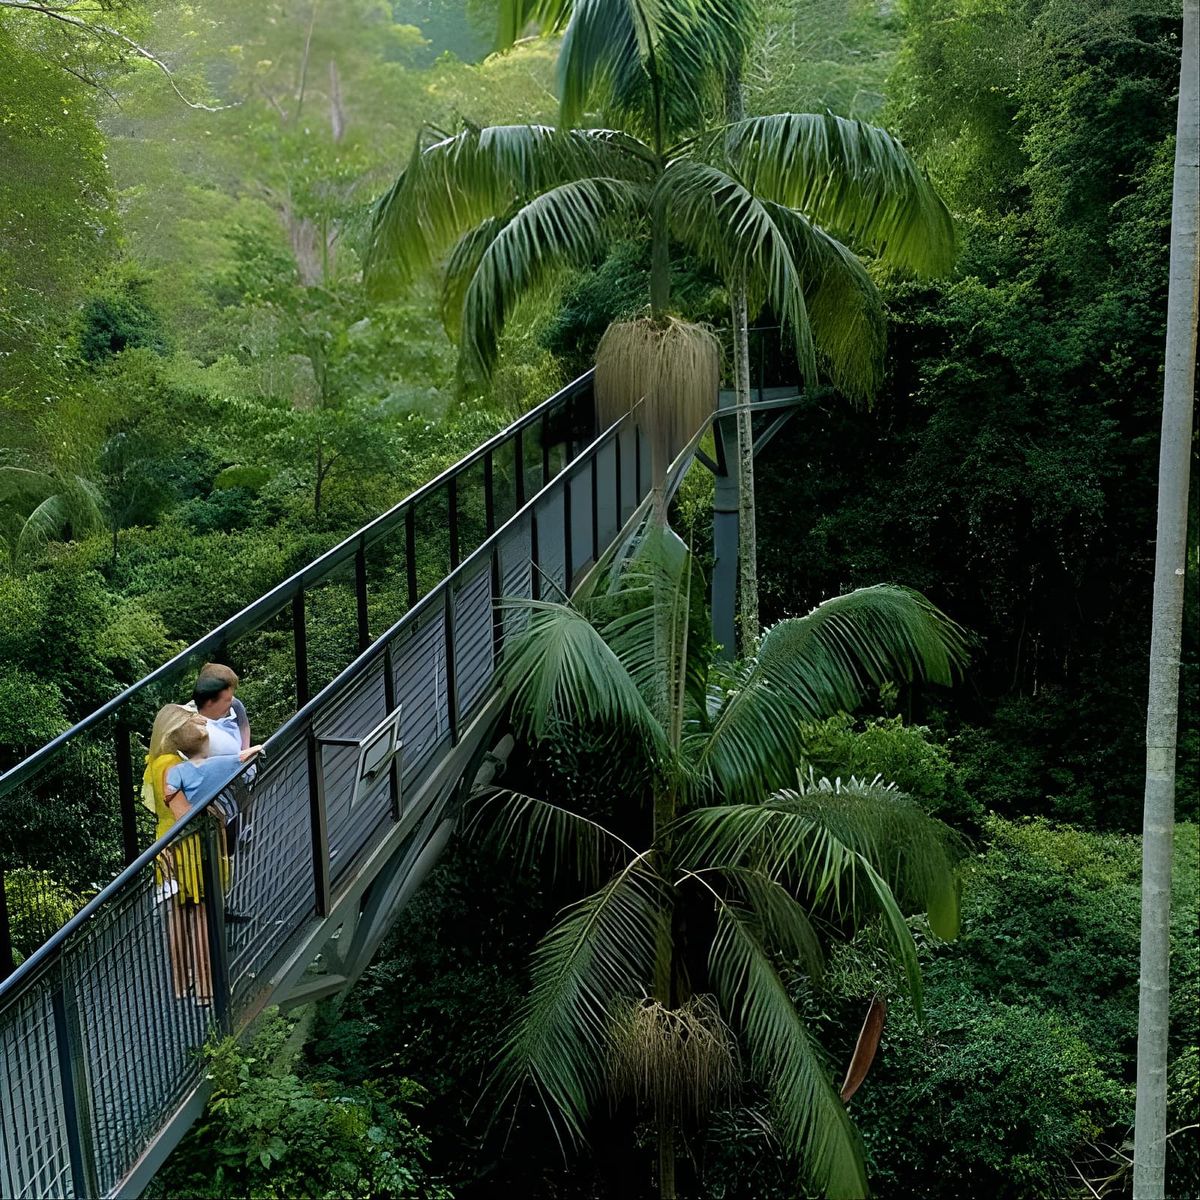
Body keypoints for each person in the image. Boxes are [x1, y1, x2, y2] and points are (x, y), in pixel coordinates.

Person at [156, 719, 261, 1004]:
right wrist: (258, 749)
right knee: (203, 913)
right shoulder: (218, 765)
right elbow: (243, 757)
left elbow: (168, 795)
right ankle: (207, 989)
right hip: (207, 844)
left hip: (180, 845)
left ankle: (184, 986)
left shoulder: (176, 770)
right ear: (207, 744)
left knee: (182, 911)